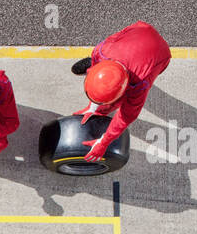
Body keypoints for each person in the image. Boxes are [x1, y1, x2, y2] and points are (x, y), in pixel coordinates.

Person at [70, 20, 171, 163]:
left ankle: (111, 101)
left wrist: (104, 142)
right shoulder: (100, 51)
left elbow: (125, 117)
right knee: (101, 67)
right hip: (139, 31)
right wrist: (93, 107)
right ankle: (104, 91)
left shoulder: (139, 84)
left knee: (124, 100)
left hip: (159, 53)